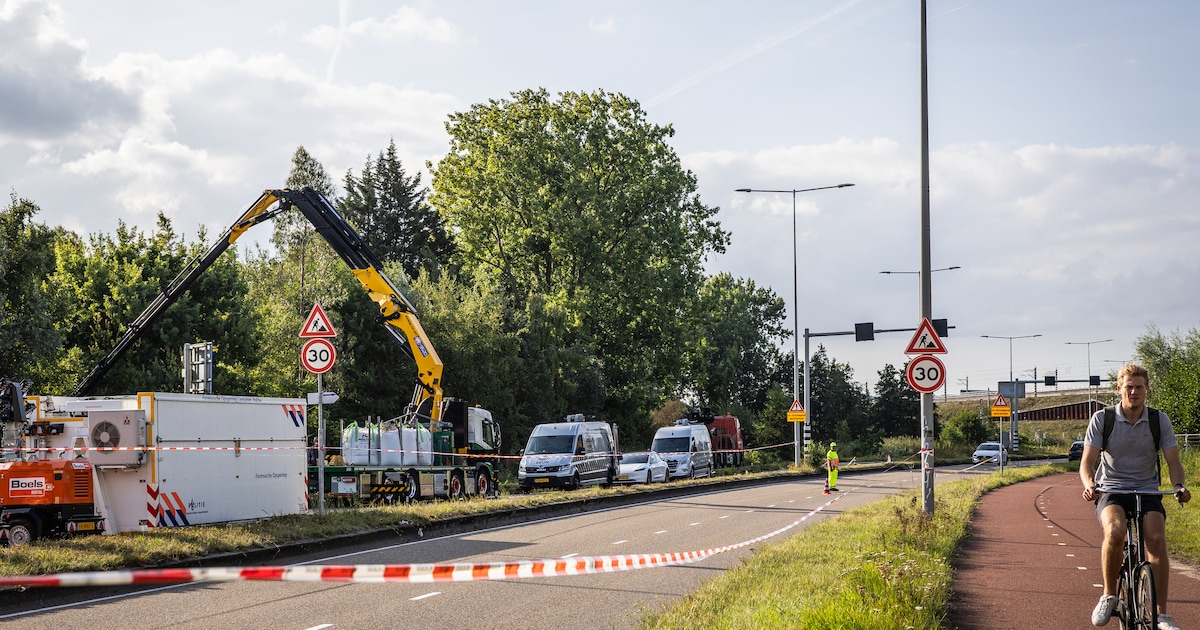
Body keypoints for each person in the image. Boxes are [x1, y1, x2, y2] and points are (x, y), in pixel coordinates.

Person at [1080, 363, 1191, 629]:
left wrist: (1179, 486)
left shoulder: (1158, 420)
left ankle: (1161, 615)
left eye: (1139, 387)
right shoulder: (1102, 419)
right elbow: (1087, 463)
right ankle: (1109, 595)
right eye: (1128, 386)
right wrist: (1090, 484)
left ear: (1147, 389)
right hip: (1111, 490)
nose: (1133, 391)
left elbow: (1173, 461)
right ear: (1119, 389)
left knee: (1156, 539)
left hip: (1147, 489)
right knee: (1116, 532)